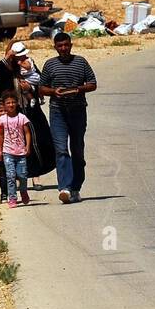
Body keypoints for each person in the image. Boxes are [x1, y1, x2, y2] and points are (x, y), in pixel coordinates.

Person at [39, 32, 97, 204]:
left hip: (78, 112)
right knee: (61, 150)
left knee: (77, 150)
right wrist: (53, 92)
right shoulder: (50, 65)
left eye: (66, 45)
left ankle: (75, 188)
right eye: (60, 46)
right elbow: (42, 88)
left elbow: (93, 84)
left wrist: (79, 89)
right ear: (55, 47)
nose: (63, 48)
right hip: (58, 113)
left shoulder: (81, 62)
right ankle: (64, 187)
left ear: (71, 45)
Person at [0, 40, 53, 186]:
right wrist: (8, 57)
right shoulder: (5, 67)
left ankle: (36, 175)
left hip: (31, 109)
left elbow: (40, 81)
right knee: (14, 143)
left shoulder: (28, 64)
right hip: (12, 110)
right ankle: (18, 177)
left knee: (36, 141)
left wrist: (29, 88)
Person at [0, 95, 32, 207]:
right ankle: (12, 198)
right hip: (8, 152)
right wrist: (1, 149)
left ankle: (23, 191)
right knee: (10, 175)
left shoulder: (22, 118)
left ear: (17, 104)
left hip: (20, 152)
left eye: (13, 102)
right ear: (5, 105)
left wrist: (28, 146)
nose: (11, 105)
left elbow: (27, 132)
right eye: (8, 103)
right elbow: (1, 135)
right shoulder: (2, 120)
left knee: (22, 175)